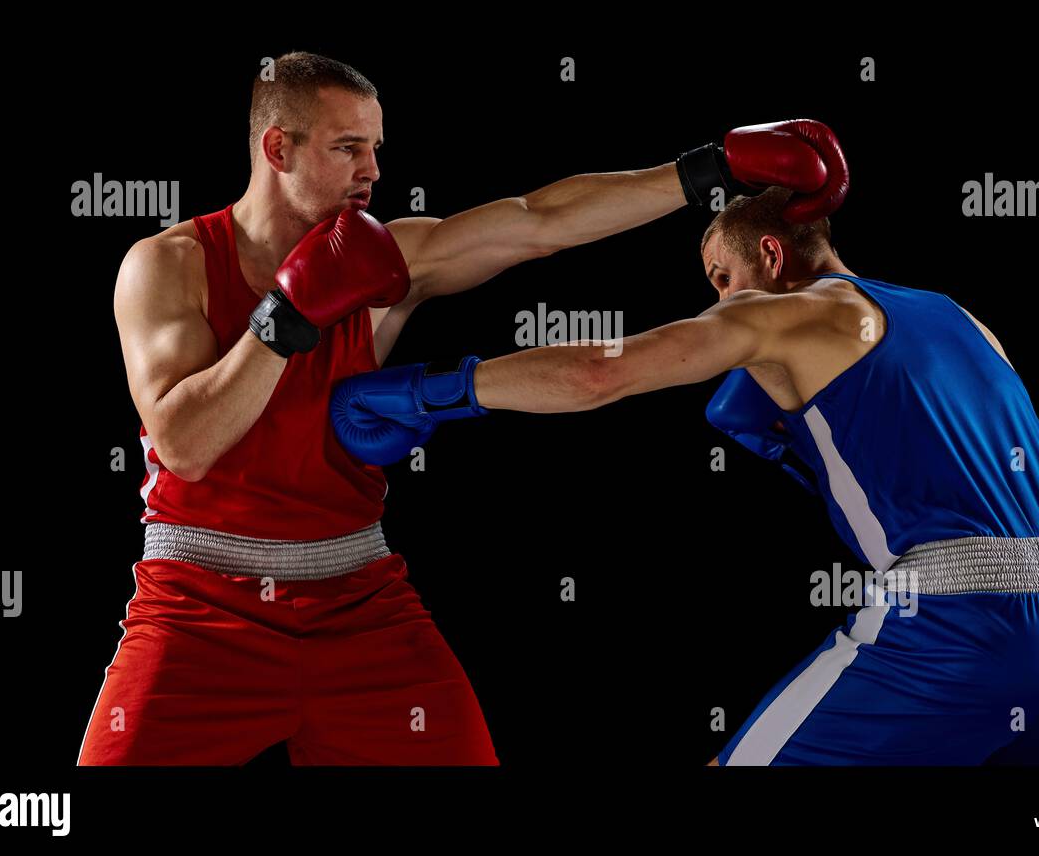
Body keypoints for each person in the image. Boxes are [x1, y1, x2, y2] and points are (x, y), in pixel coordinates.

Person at [78, 48, 842, 764]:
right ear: (277, 148)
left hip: (360, 602)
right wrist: (285, 317)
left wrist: (708, 169)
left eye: (376, 147)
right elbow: (185, 441)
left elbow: (537, 222)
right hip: (199, 608)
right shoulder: (166, 266)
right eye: (348, 148)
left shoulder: (386, 260)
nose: (372, 170)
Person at [332, 186, 1039, 766]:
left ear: (773, 255)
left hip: (963, 618)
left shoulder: (783, 312)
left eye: (718, 277)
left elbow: (600, 371)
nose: (717, 299)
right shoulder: (958, 313)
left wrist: (431, 389)